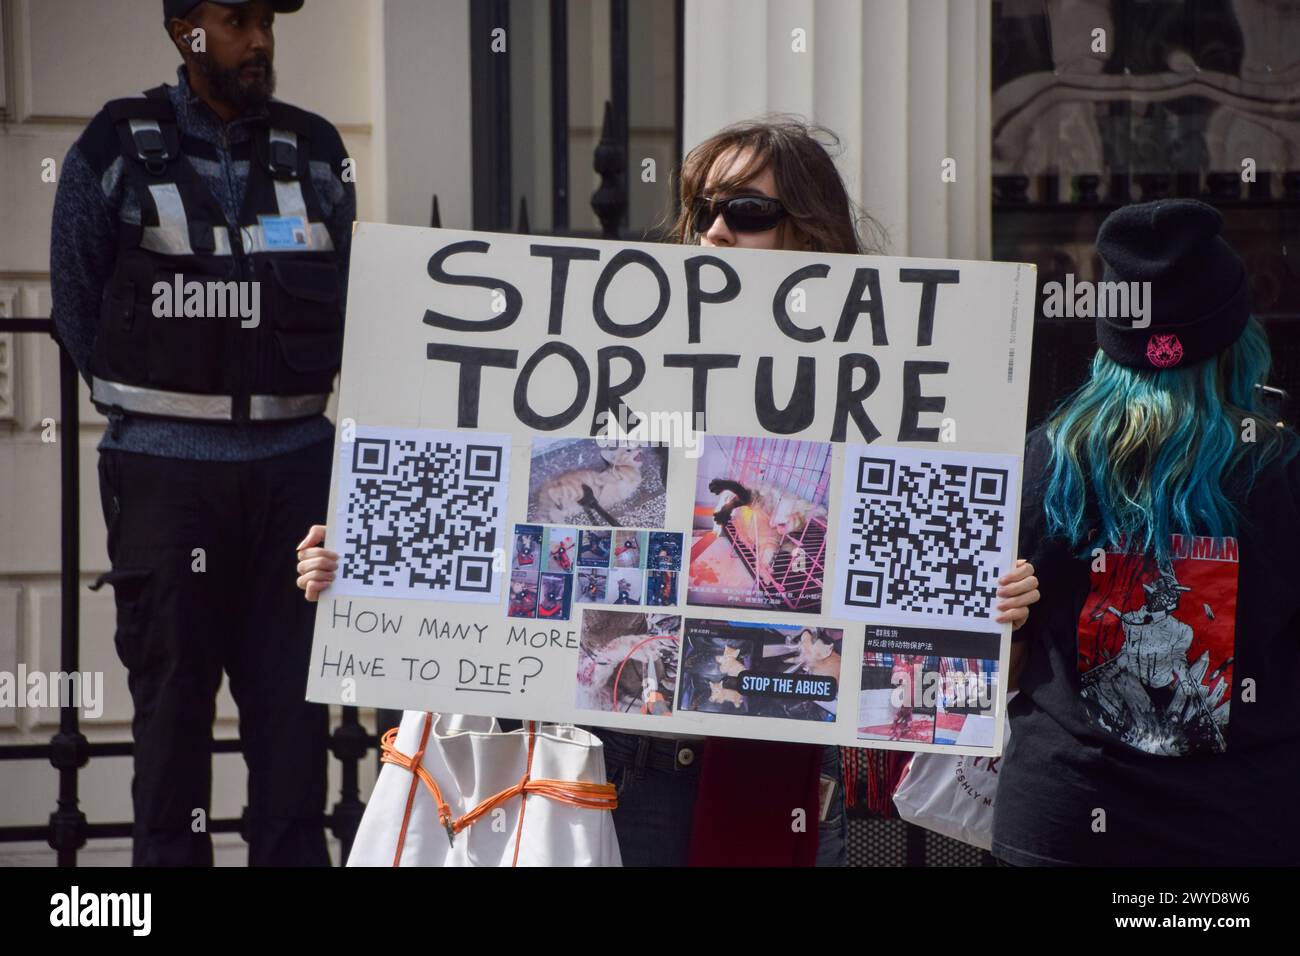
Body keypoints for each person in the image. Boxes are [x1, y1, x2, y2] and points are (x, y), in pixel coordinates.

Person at [296, 118, 1039, 866]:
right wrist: (366, 567)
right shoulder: (612, 360)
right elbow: (513, 533)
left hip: (773, 772)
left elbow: (912, 614)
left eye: (746, 213)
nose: (714, 231)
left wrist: (988, 601)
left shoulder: (876, 391)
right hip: (618, 762)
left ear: (810, 238)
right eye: (701, 209)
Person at [52, 0, 355, 865]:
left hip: (298, 474)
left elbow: (360, 303)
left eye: (266, 21)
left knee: (294, 732)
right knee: (173, 730)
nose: (258, 40)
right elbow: (77, 307)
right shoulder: (112, 149)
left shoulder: (318, 151)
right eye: (234, 20)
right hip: (163, 480)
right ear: (184, 29)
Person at [993, 198, 1300, 866]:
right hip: (1243, 832)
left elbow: (969, 668)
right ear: (1240, 338)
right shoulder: (1283, 472)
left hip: (1064, 822)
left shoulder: (1040, 461)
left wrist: (1003, 624)